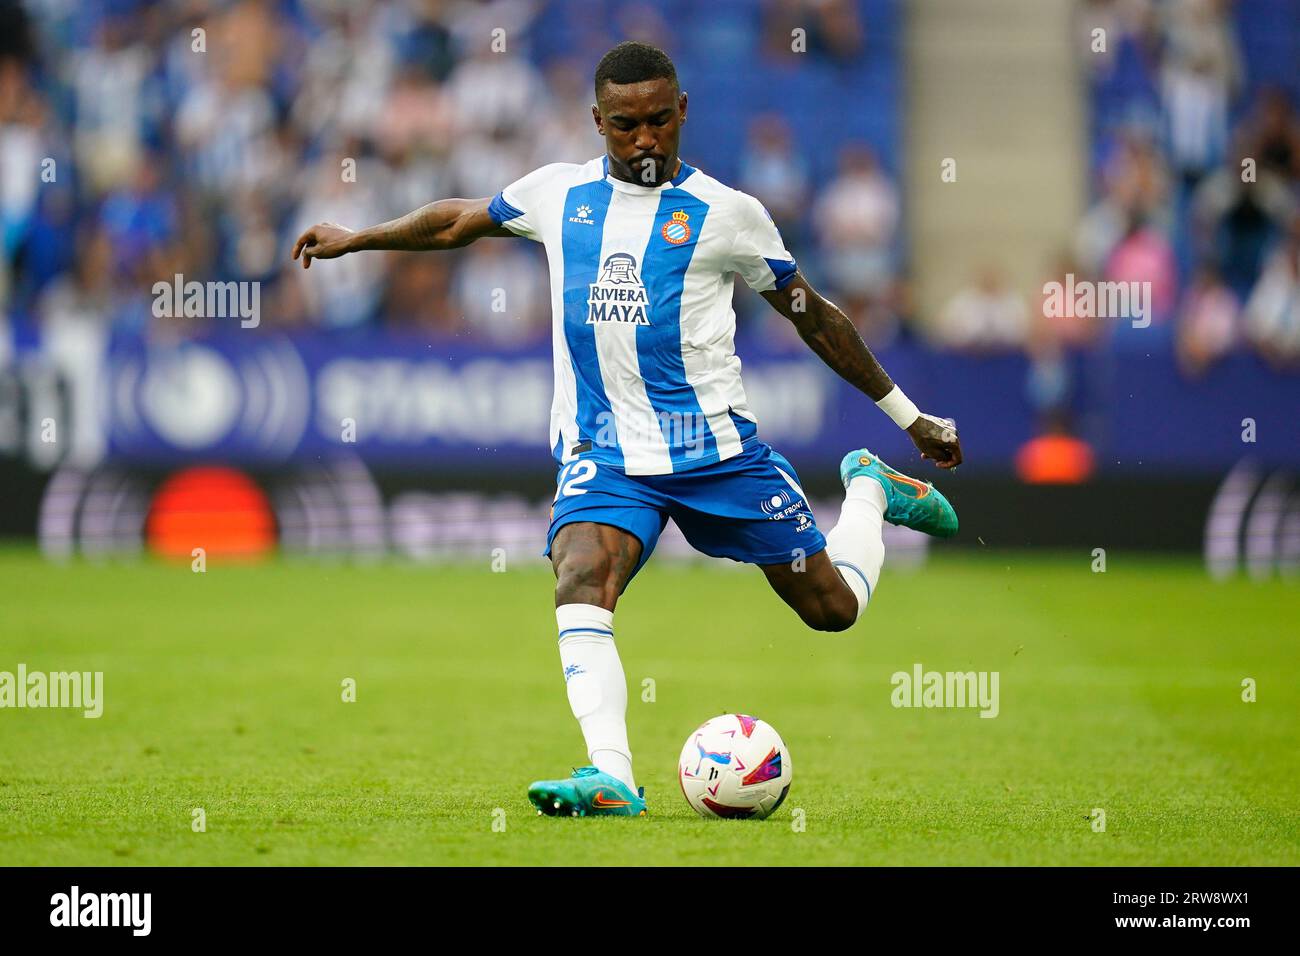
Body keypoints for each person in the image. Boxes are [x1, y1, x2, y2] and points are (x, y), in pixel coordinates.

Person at [291, 41, 963, 818]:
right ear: (596, 122)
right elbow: (456, 223)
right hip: (604, 451)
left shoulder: (729, 215)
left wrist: (909, 418)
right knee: (580, 575)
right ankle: (610, 773)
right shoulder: (557, 195)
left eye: (656, 123)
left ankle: (870, 489)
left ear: (681, 113)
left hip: (716, 452)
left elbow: (816, 318)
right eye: (623, 126)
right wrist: (360, 237)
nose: (643, 140)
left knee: (831, 610)